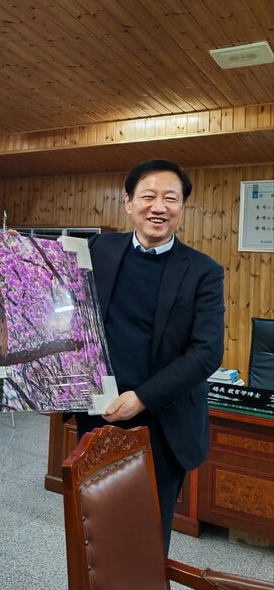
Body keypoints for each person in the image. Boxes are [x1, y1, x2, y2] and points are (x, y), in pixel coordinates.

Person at [74, 159, 225, 552]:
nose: (159, 206)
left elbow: (207, 353)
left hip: (160, 423)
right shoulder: (97, 249)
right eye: (148, 196)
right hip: (98, 417)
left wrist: (141, 398)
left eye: (170, 199)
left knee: (146, 542)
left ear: (181, 208)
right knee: (93, 532)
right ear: (128, 203)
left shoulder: (204, 272)